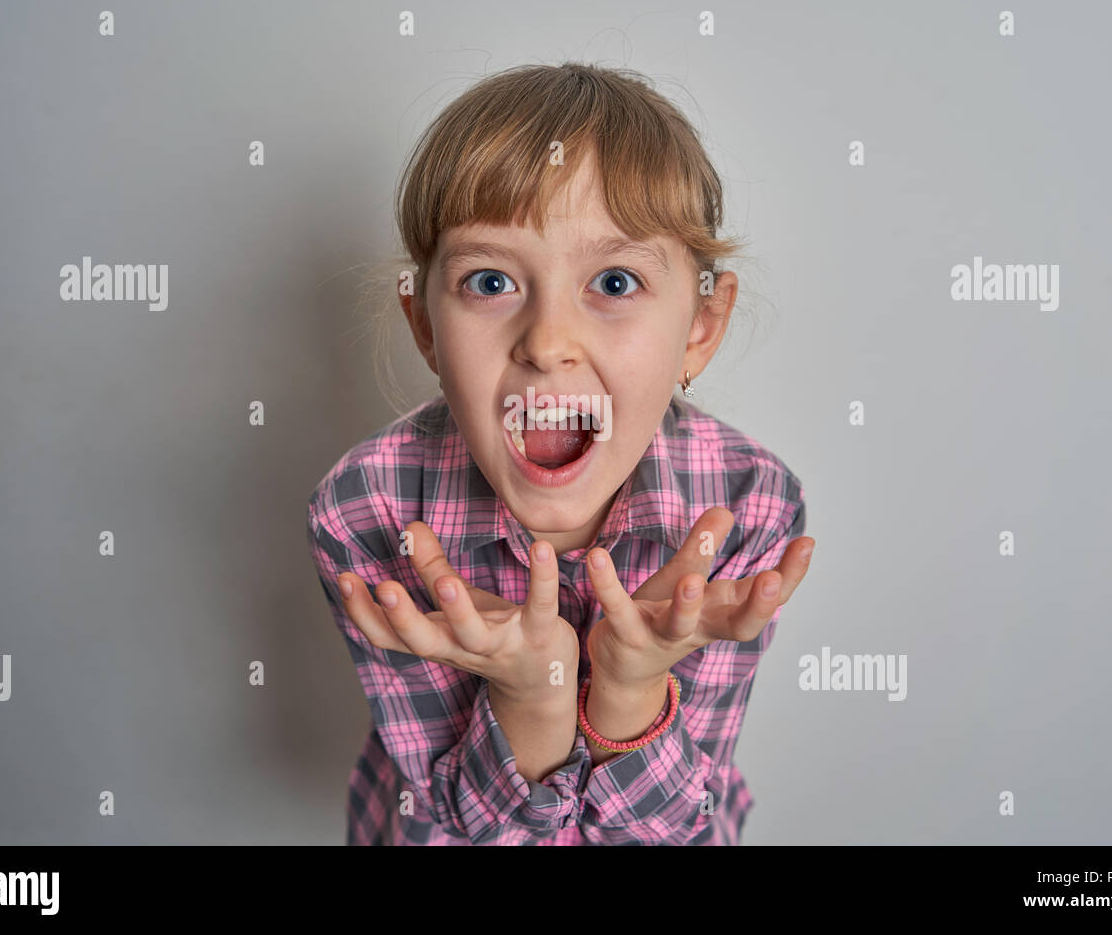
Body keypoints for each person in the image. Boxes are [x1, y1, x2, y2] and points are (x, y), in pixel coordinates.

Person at [307, 62, 815, 844]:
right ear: (426, 329)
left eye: (614, 282)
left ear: (700, 328)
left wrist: (631, 685)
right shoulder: (368, 507)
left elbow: (675, 829)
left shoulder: (747, 505)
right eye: (489, 280)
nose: (547, 343)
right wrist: (530, 692)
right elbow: (457, 828)